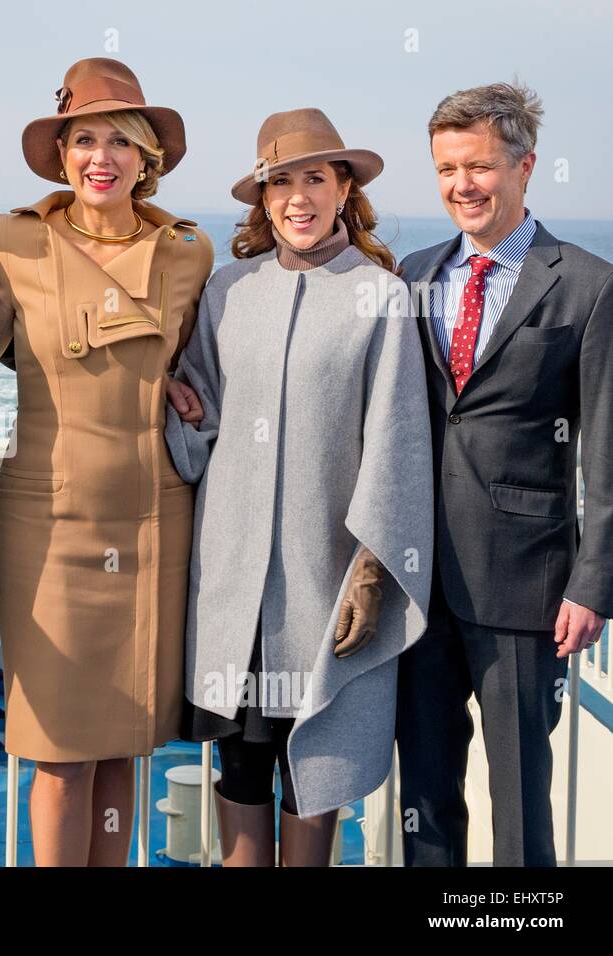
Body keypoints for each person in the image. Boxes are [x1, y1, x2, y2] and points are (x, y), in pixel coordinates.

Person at [164, 108, 433, 866]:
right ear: (262, 199)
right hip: (232, 592)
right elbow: (202, 423)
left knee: (313, 776)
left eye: (314, 178)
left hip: (326, 584)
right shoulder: (228, 290)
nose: (297, 198)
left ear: (344, 187)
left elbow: (399, 442)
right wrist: (176, 409)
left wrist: (374, 572)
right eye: (279, 183)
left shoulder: (381, 296)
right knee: (241, 769)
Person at [0, 57, 212, 866]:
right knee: (59, 750)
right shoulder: (13, 242)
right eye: (84, 139)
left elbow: (206, 362)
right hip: (48, 525)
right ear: (62, 152)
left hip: (155, 522)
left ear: (148, 159)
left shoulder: (189, 251)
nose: (100, 157)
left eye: (120, 140)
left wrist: (188, 389)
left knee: (125, 745)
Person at [395, 82, 612, 867]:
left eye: (479, 166)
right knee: (424, 796)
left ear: (525, 167)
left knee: (520, 802)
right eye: (447, 169)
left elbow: (608, 453)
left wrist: (594, 581)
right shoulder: (414, 275)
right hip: (418, 586)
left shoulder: (587, 284)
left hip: (528, 585)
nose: (462, 185)